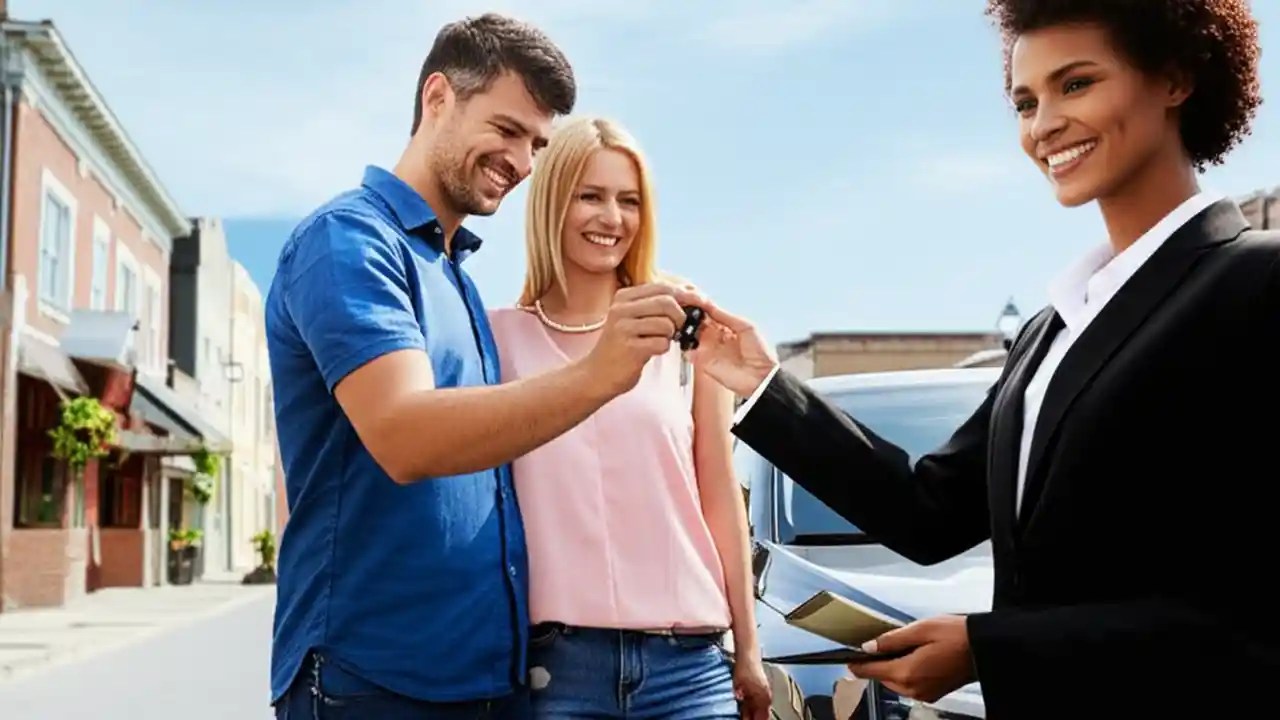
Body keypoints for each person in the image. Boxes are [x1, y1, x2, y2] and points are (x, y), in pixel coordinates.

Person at [685, 1, 1279, 718]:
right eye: (1025, 101)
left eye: (1077, 84)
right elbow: (929, 511)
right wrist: (763, 383)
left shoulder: (1257, 284)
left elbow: (1251, 612)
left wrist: (990, 648)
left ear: (1176, 78)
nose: (1043, 124)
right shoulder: (1050, 332)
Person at [265, 15, 698, 719]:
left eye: (536, 143)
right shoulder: (348, 241)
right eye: (506, 129)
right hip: (368, 679)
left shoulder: (456, 277)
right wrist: (600, 373)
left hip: (480, 682)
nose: (523, 162)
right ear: (438, 98)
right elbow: (407, 436)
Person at [486, 116, 772, 720]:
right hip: (552, 672)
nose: (611, 218)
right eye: (590, 196)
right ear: (551, 204)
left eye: (629, 200)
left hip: (688, 668)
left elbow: (720, 496)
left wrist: (748, 648)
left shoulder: (682, 332)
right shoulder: (497, 342)